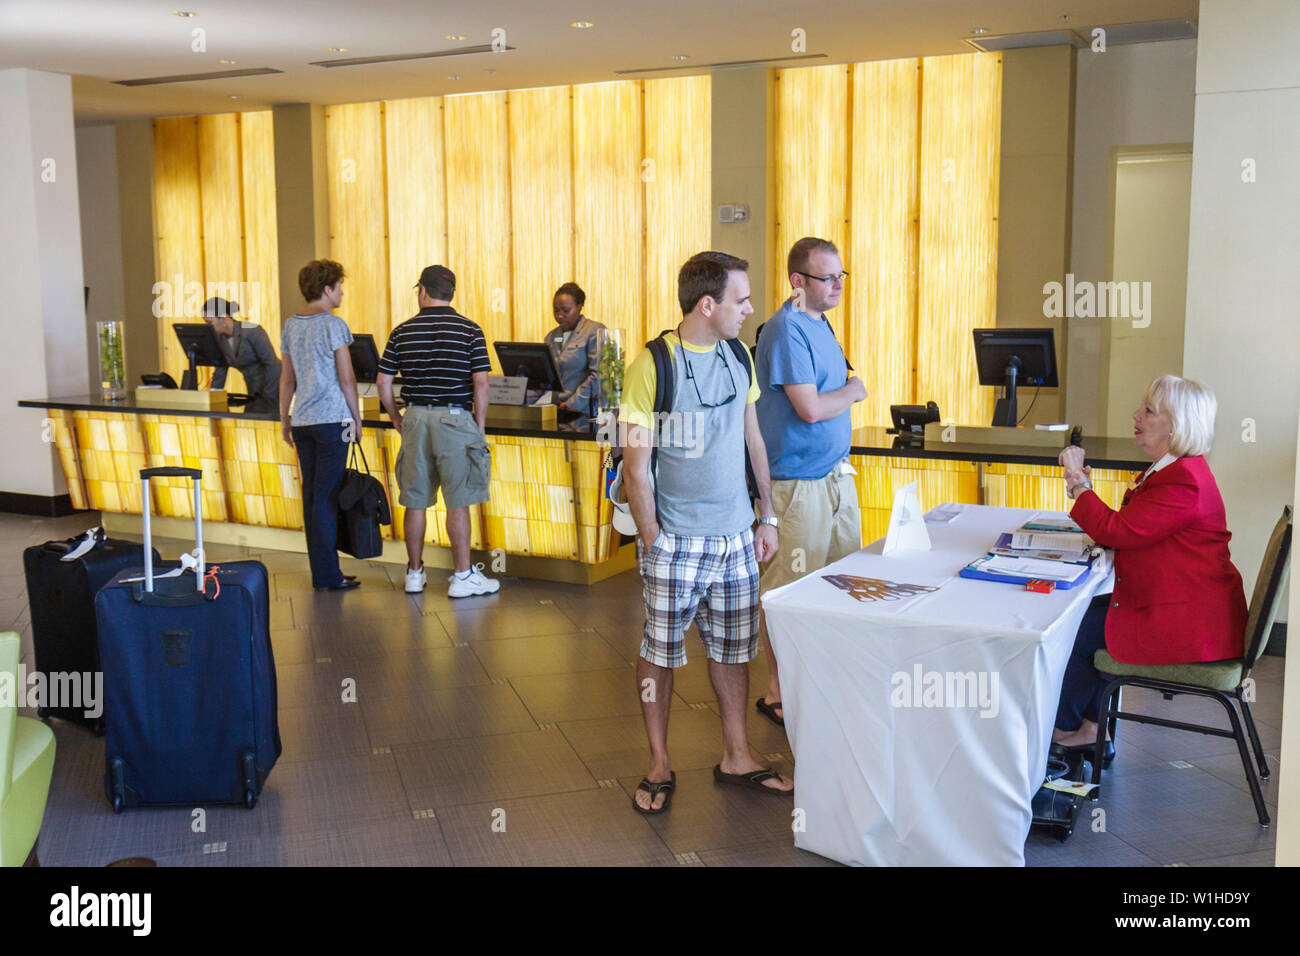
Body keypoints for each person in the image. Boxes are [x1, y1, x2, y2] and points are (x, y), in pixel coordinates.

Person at [621, 251, 792, 814]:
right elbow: (635, 463)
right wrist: (653, 540)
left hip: (736, 537)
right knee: (661, 652)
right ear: (708, 304)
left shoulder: (739, 355)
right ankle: (658, 762)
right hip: (676, 540)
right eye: (741, 300)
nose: (749, 309)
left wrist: (765, 515)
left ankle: (737, 755)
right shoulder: (654, 363)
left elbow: (753, 440)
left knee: (734, 650)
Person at [1051, 374, 1248, 757]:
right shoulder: (1171, 471)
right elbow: (1129, 530)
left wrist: (1077, 481)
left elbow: (1120, 531)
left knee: (1074, 631)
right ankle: (1092, 728)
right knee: (1086, 619)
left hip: (1189, 621)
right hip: (1181, 605)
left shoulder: (1182, 481)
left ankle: (1066, 729)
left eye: (1149, 411)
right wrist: (1088, 496)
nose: (1136, 415)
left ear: (1174, 426)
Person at [751, 237, 866, 727]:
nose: (838, 284)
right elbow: (811, 408)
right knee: (790, 595)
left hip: (835, 480)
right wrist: (855, 390)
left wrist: (839, 394)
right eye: (827, 277)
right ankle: (780, 693)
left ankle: (823, 681)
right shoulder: (784, 329)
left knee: (842, 587)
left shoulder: (822, 325)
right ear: (798, 281)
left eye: (842, 275)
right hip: (796, 487)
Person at [376, 265, 498, 598]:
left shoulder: (402, 331)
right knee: (458, 502)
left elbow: (383, 382)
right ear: (451, 293)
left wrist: (396, 416)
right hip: (455, 419)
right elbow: (481, 383)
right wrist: (480, 426)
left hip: (415, 418)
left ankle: (414, 574)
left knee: (415, 501)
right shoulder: (470, 330)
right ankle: (462, 577)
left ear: (423, 292)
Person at [279, 259, 363, 592]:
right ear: (326, 289)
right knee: (326, 497)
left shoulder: (291, 325)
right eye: (339, 286)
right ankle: (329, 575)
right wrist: (357, 419)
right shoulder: (334, 325)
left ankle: (324, 572)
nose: (342, 291)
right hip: (333, 420)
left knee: (312, 496)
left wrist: (283, 417)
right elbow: (347, 378)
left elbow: (287, 380)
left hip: (303, 421)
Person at [202, 297, 283, 415]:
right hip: (253, 390)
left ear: (224, 318)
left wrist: (269, 396)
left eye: (210, 322)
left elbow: (272, 365)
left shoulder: (252, 331)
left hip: (273, 385)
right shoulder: (220, 340)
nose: (208, 327)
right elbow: (221, 370)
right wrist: (213, 399)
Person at [543, 282, 606, 431]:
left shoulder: (594, 331)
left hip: (585, 415)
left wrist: (571, 404)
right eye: (556, 310)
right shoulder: (551, 337)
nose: (559, 316)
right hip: (556, 413)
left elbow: (597, 375)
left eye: (565, 310)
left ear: (579, 306)